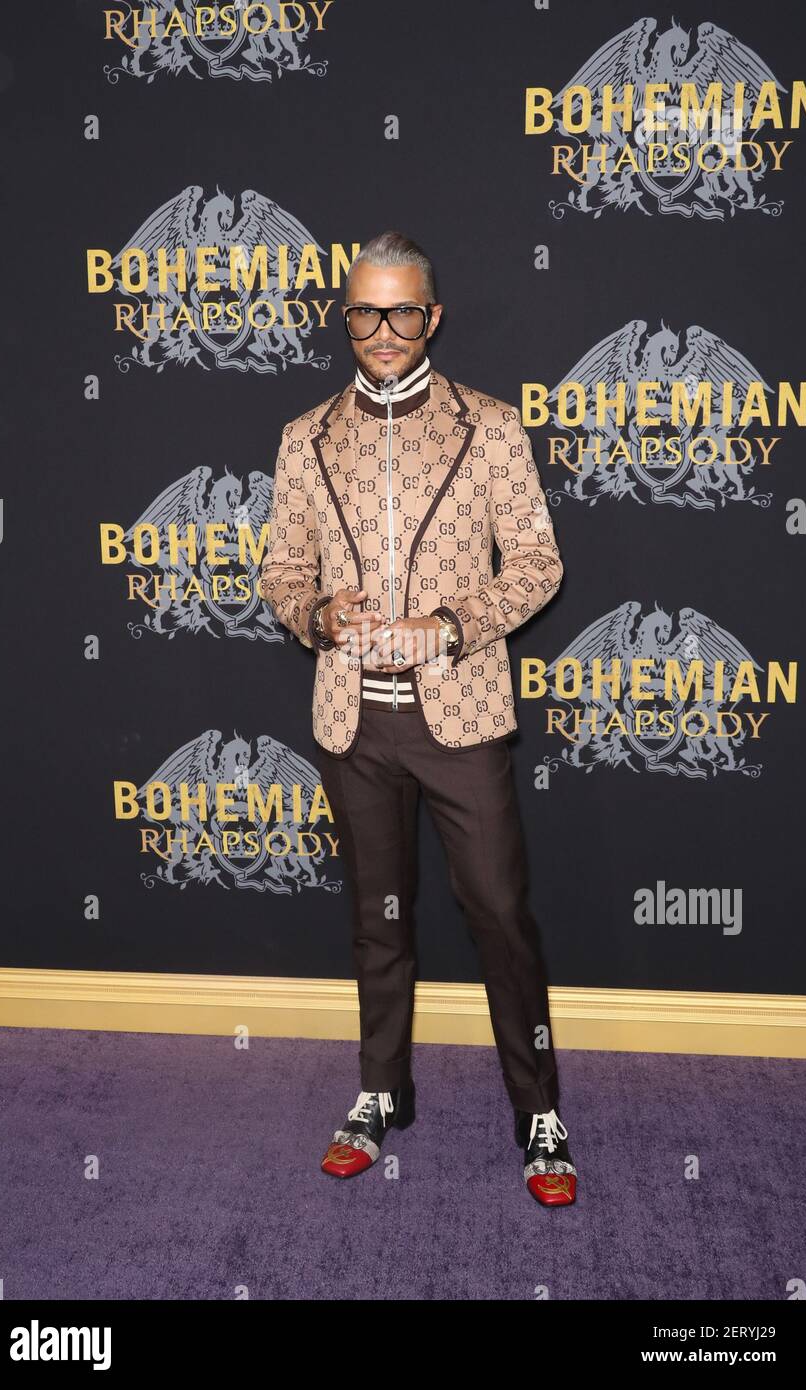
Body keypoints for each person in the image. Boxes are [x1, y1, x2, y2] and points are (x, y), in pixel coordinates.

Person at [260, 230, 576, 1206]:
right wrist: (316, 615)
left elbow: (536, 563)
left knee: (499, 918)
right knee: (376, 924)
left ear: (431, 317)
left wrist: (445, 625)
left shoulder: (489, 428)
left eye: (402, 311)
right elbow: (279, 570)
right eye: (365, 311)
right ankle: (378, 1089)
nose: (384, 330)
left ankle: (539, 1115)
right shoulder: (304, 437)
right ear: (344, 318)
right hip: (356, 724)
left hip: (462, 719)